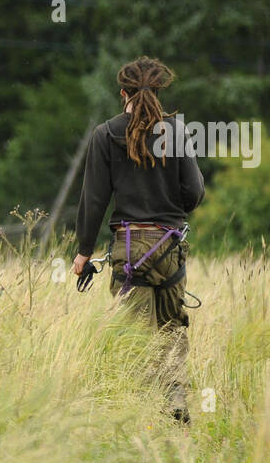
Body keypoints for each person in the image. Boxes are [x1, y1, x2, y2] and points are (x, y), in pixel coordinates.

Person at [72, 56, 205, 422]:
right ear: (160, 92)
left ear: (123, 93)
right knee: (172, 328)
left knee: (132, 335)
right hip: (168, 249)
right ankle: (175, 402)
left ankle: (137, 415)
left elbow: (94, 199)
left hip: (128, 250)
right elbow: (193, 194)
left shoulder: (105, 134)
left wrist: (84, 252)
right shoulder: (176, 132)